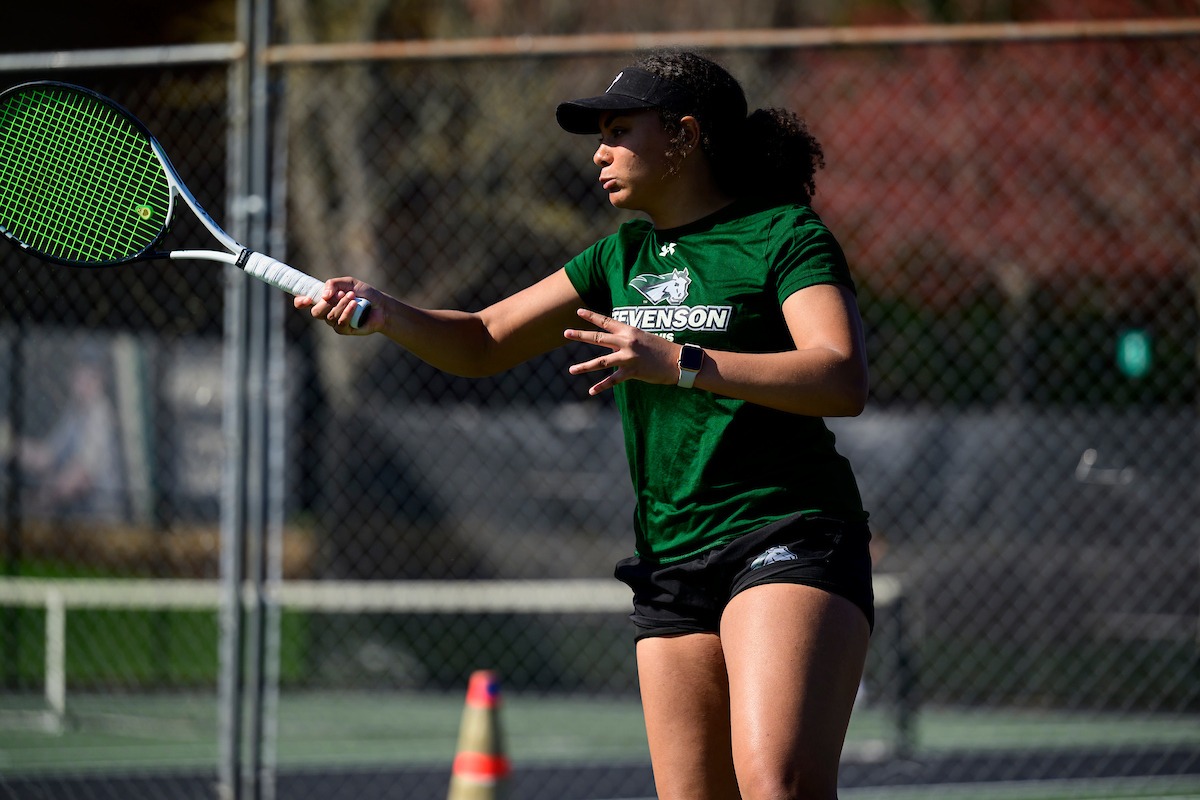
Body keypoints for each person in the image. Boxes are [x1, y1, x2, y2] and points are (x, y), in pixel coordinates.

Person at [299, 50, 873, 800]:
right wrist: (385, 312)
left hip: (786, 532)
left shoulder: (782, 235)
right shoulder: (616, 259)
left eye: (618, 131)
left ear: (684, 135)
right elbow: (481, 338)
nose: (599, 152)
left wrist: (683, 361)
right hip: (671, 556)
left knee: (777, 783)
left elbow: (841, 374)